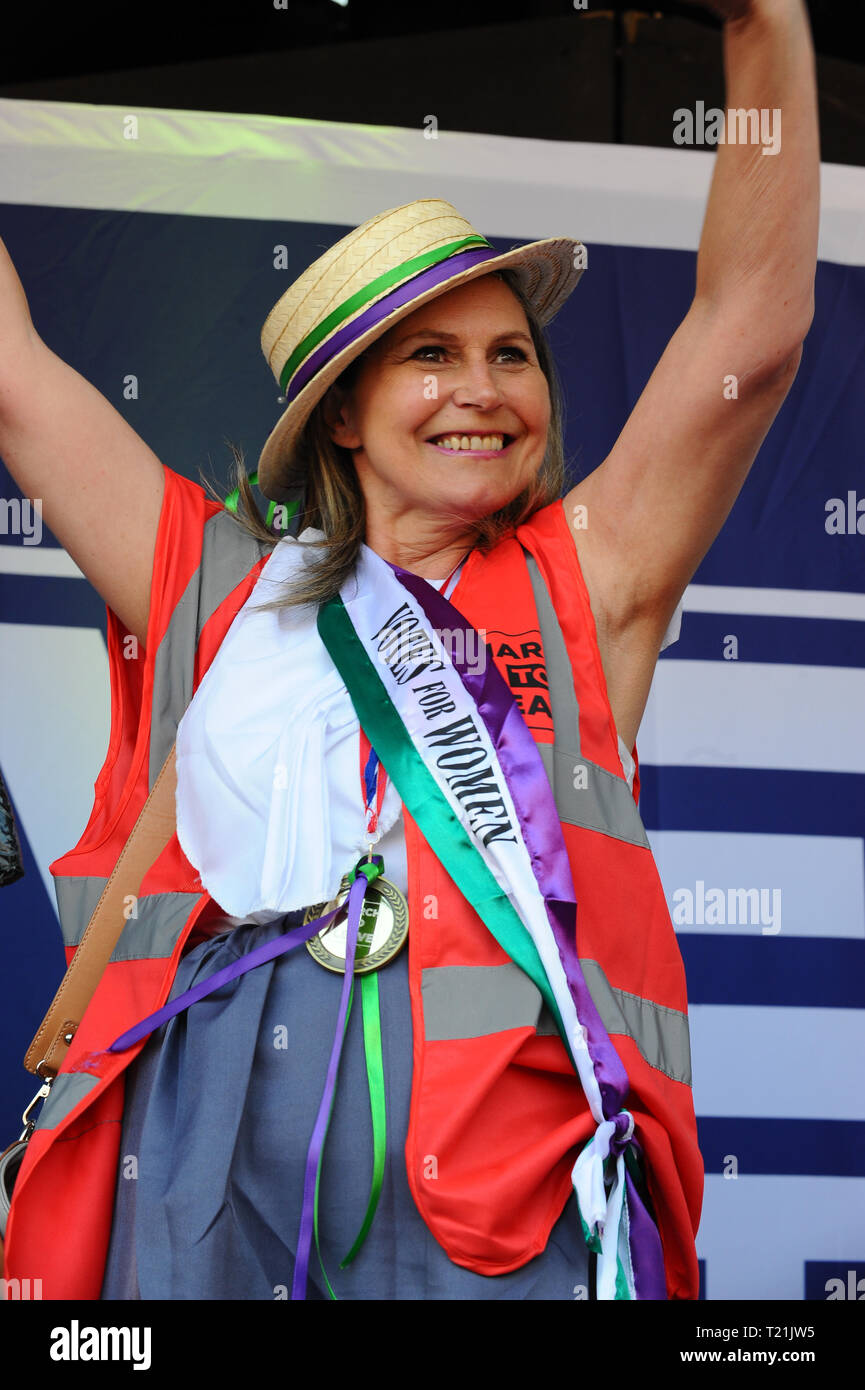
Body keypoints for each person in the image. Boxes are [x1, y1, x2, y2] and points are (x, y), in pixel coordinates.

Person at [0, 0, 818, 1301]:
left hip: (498, 1216)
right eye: (429, 356)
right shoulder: (205, 577)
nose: (483, 387)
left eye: (511, 354)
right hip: (198, 1202)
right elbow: (11, 370)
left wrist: (763, 31)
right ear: (341, 415)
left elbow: (751, 335)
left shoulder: (580, 580)